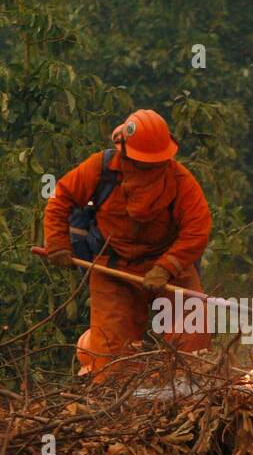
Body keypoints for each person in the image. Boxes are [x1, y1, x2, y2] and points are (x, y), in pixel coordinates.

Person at [42, 108, 212, 377]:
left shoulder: (180, 181)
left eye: (155, 162)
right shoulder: (101, 168)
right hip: (113, 269)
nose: (147, 168)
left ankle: (187, 390)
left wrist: (165, 267)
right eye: (142, 162)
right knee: (110, 359)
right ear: (123, 151)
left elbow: (197, 230)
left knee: (192, 333)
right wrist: (57, 242)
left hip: (167, 268)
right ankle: (121, 405)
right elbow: (60, 196)